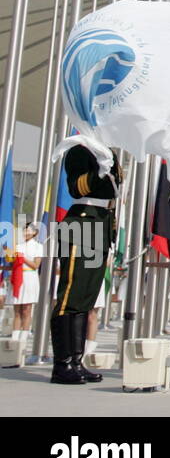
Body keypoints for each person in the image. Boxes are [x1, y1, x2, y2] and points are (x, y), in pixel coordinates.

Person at [49, 137, 122, 385]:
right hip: (82, 224)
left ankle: (76, 362)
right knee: (70, 294)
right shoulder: (79, 150)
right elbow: (76, 188)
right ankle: (62, 364)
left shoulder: (108, 152)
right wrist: (100, 171)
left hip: (100, 224)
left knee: (86, 296)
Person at [6, 223, 42, 359]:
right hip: (17, 277)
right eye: (24, 230)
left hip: (29, 277)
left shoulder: (38, 247)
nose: (26, 232)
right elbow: (11, 262)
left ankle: (23, 342)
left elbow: (36, 265)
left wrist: (23, 258)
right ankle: (14, 341)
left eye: (28, 230)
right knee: (17, 311)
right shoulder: (18, 246)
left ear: (34, 232)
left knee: (26, 310)